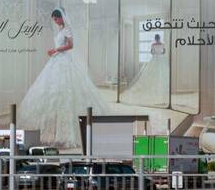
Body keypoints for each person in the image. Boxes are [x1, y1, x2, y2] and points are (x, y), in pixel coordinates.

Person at [17, 9, 106, 148]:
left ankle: (66, 131)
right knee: (51, 91)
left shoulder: (66, 30)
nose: (55, 22)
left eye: (56, 19)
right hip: (57, 59)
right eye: (54, 20)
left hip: (63, 60)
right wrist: (55, 51)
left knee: (67, 90)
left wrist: (55, 50)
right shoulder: (61, 30)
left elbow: (71, 45)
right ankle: (50, 127)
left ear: (61, 17)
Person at [122, 32, 170, 108]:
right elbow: (164, 52)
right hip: (160, 60)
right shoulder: (162, 44)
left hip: (154, 60)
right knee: (160, 75)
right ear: (159, 38)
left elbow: (151, 52)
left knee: (151, 75)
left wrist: (155, 53)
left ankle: (155, 91)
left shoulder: (153, 45)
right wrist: (159, 53)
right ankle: (159, 92)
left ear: (155, 38)